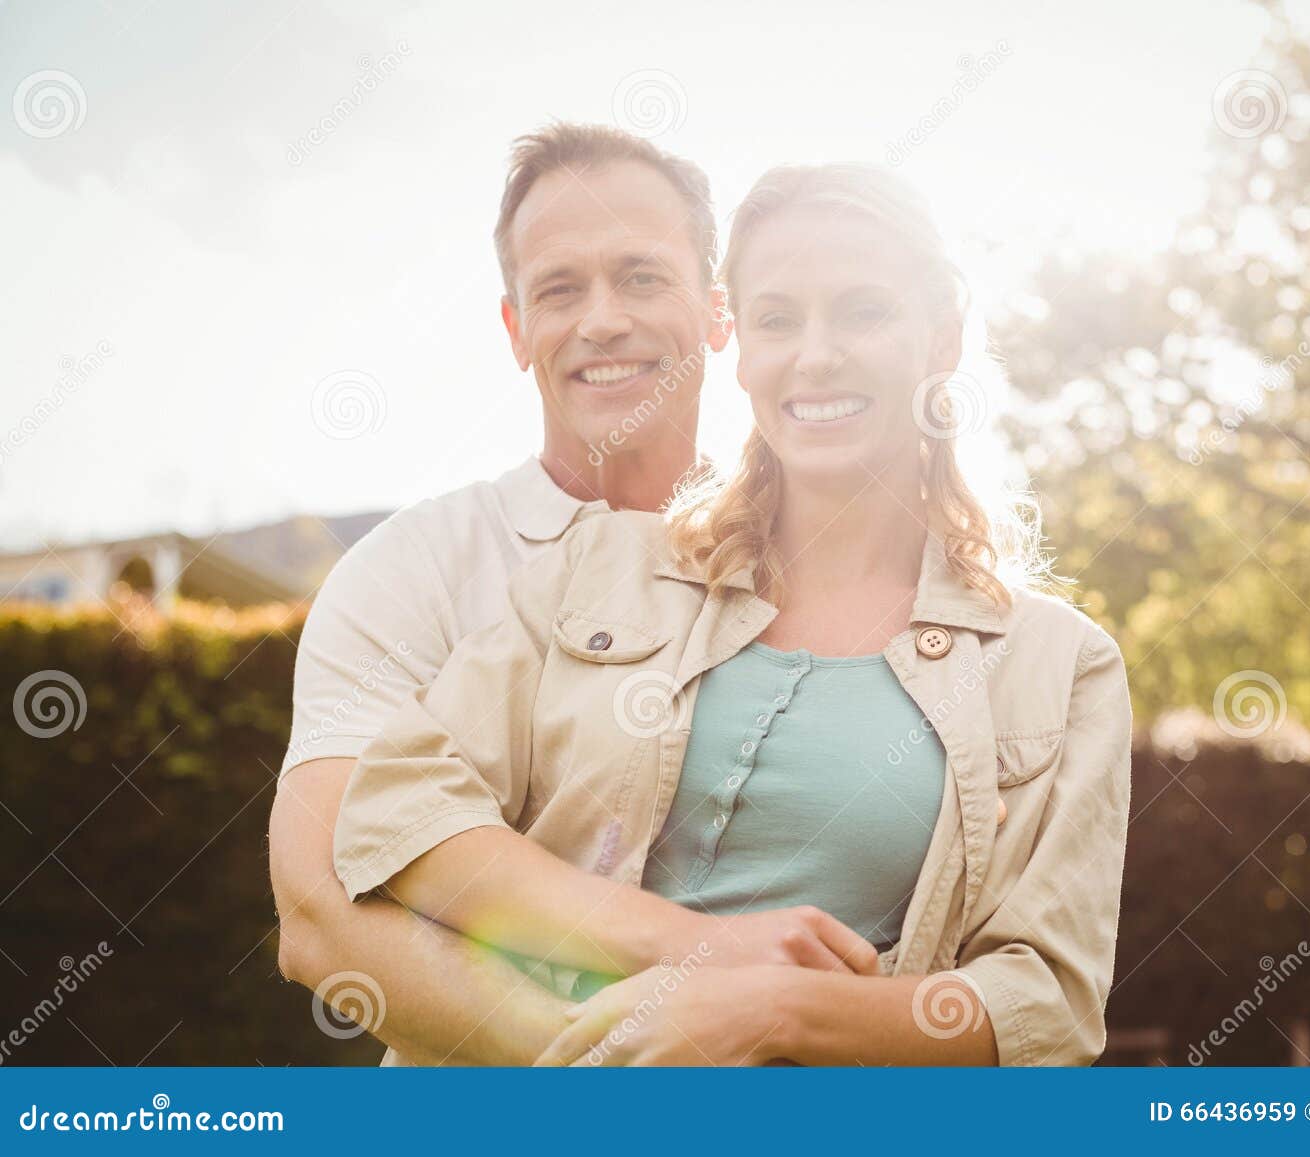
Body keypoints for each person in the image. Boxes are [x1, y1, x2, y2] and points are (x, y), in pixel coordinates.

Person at [331, 163, 1134, 1065]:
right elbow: (400, 809)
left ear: (941, 337)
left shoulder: (1059, 664)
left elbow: (1045, 1006)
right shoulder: (608, 564)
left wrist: (778, 1012)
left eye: (863, 311)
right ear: (738, 343)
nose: (815, 354)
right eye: (779, 318)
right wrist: (685, 949)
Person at [269, 124, 864, 1067]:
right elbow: (321, 912)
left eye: (640, 277)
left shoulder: (846, 559)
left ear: (719, 312)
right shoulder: (412, 568)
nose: (601, 320)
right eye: (558, 289)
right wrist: (619, 1070)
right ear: (515, 331)